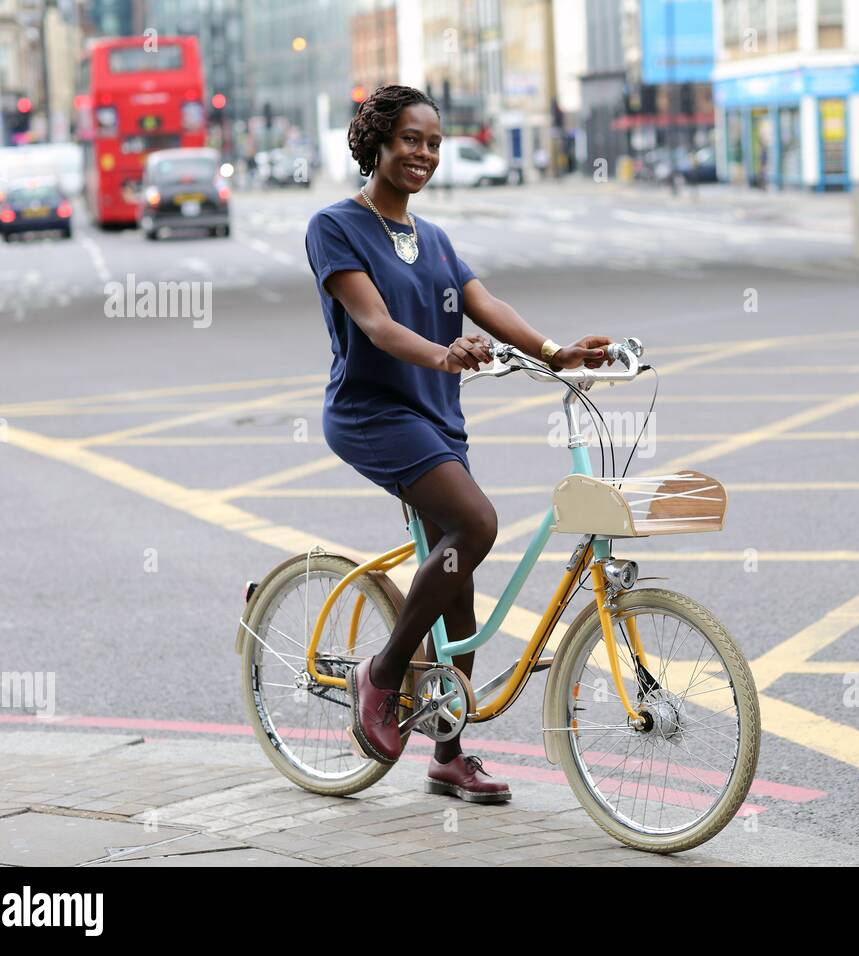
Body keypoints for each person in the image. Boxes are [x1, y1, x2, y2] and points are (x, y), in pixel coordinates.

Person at [304, 85, 614, 802]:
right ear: (377, 143)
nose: (424, 154)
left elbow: (487, 304)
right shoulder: (335, 226)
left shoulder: (435, 239)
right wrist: (443, 356)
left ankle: (448, 752)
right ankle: (380, 676)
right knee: (476, 524)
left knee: (458, 586)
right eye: (411, 139)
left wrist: (555, 351)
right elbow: (376, 326)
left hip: (434, 415)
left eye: (434, 143)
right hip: (374, 412)